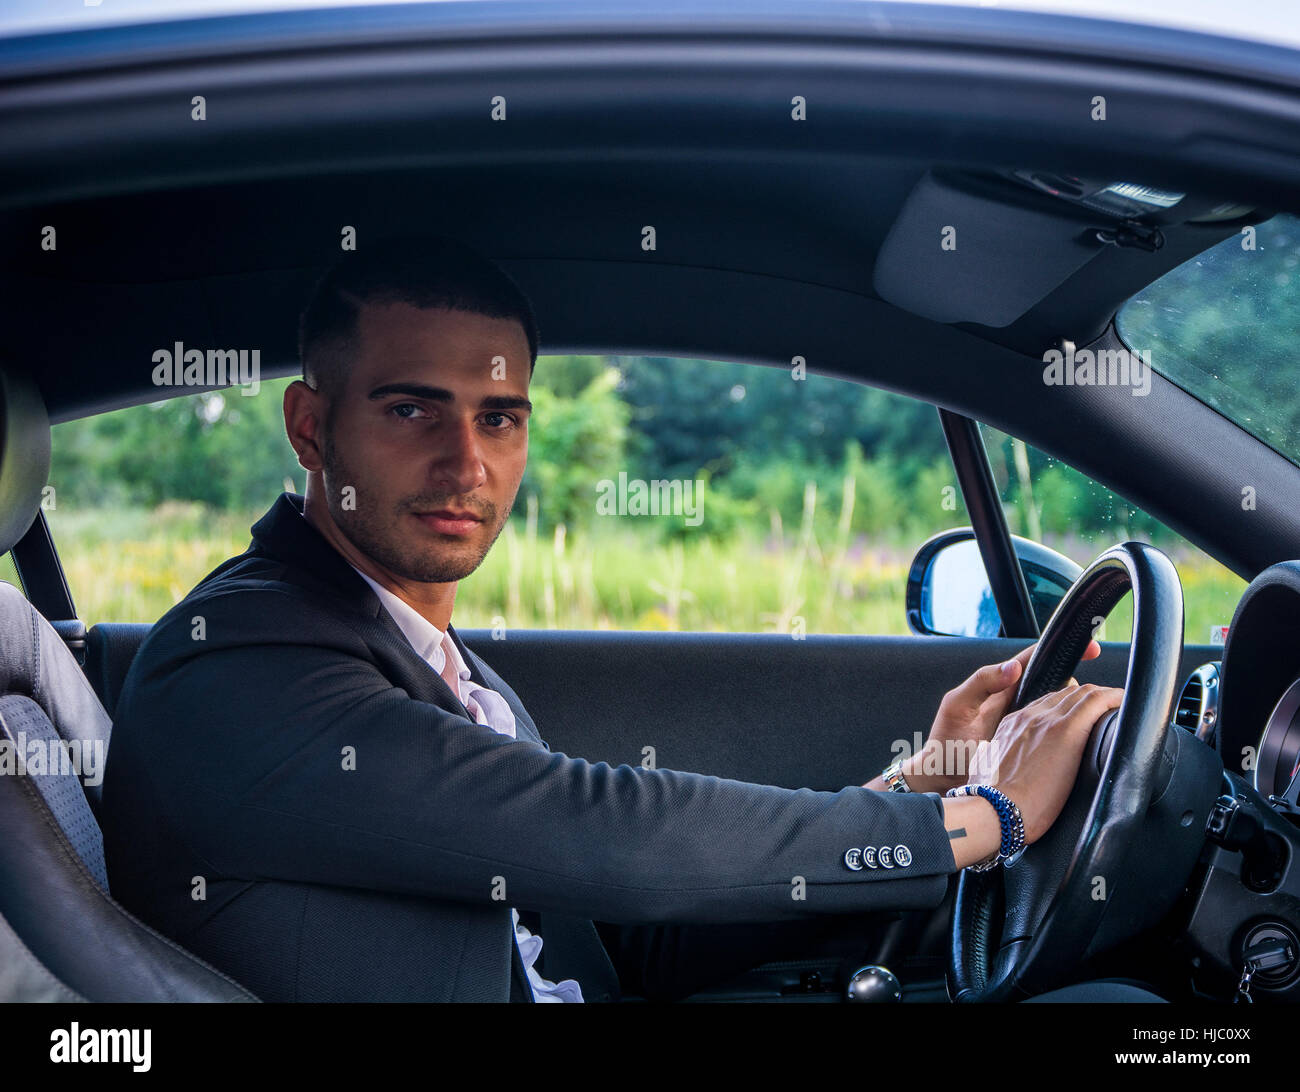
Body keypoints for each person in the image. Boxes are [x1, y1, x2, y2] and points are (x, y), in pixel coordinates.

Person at [99, 237, 1126, 1003]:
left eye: (498, 418)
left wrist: (923, 781)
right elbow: (615, 837)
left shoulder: (432, 664)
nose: (467, 464)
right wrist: (988, 818)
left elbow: (620, 934)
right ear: (310, 426)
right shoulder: (236, 664)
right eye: (412, 410)